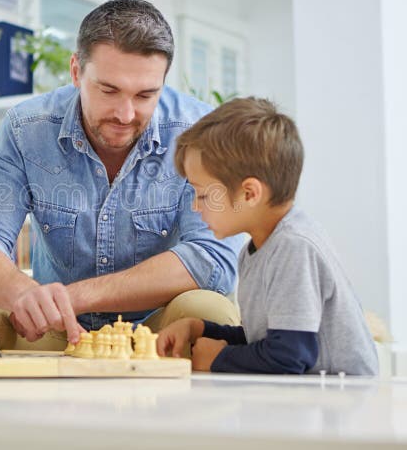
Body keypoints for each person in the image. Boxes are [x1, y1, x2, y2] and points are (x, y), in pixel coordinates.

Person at [0, 0, 244, 350]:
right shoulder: (26, 128)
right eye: (109, 90)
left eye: (145, 95)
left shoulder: (201, 132)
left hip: (153, 333)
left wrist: (74, 297)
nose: (125, 114)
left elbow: (211, 259)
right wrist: (27, 296)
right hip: (52, 331)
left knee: (208, 309)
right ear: (76, 71)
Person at [157, 97, 379, 375]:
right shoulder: (258, 249)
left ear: (249, 193)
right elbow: (264, 342)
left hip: (338, 402)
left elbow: (289, 357)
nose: (195, 206)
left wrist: (218, 359)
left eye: (203, 194)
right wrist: (200, 328)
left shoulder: (293, 247)